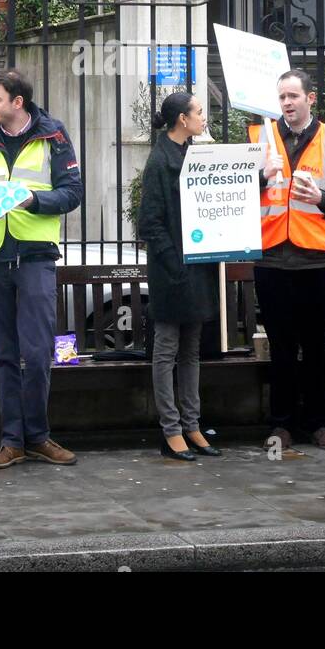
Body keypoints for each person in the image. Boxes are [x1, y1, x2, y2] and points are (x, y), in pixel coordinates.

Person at [0, 68, 84, 470]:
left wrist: (34, 200)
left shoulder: (54, 136)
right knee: (5, 355)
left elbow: (73, 192)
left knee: (37, 351)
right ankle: (11, 441)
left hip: (35, 257)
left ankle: (39, 437)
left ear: (18, 102)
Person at [248, 70, 325, 452]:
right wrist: (260, 180)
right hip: (271, 259)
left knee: (316, 347)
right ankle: (281, 425)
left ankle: (320, 423)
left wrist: (324, 200)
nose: (286, 103)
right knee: (280, 348)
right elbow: (232, 191)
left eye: (293, 96)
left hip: (316, 261)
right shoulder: (260, 137)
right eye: (281, 96)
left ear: (310, 99)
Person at [137, 91, 221, 462]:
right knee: (167, 350)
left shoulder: (193, 154)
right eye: (199, 112)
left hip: (197, 265)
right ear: (182, 120)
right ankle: (171, 429)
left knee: (191, 351)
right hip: (173, 271)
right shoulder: (160, 161)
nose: (204, 118)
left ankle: (192, 424)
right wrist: (173, 264)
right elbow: (149, 224)